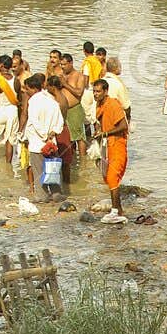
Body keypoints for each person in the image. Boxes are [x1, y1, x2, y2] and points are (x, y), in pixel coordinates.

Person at [21, 74, 65, 197]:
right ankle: (56, 194)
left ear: (34, 88)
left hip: (37, 143)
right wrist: (53, 133)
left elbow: (35, 121)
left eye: (27, 89)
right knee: (53, 170)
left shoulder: (33, 101)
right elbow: (60, 121)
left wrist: (44, 135)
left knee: (39, 171)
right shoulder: (52, 101)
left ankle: (42, 196)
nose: (26, 92)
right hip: (51, 142)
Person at [93, 77, 130, 221]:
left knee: (112, 176)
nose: (95, 94)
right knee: (107, 176)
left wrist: (105, 133)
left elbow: (123, 126)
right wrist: (99, 132)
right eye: (94, 91)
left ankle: (116, 211)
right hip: (107, 145)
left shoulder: (113, 104)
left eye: (98, 91)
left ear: (106, 91)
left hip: (117, 144)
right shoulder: (99, 105)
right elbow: (100, 123)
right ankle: (118, 209)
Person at [0, 55, 20, 167]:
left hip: (0, 111)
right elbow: (19, 99)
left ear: (1, 65)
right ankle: (8, 166)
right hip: (13, 111)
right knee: (10, 141)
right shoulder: (16, 81)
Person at [59, 53, 88, 159]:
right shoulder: (60, 75)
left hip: (74, 109)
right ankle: (71, 159)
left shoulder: (79, 76)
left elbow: (79, 92)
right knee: (67, 136)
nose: (62, 67)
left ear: (71, 63)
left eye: (64, 64)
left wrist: (65, 84)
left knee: (79, 136)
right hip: (63, 110)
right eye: (61, 64)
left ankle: (83, 160)